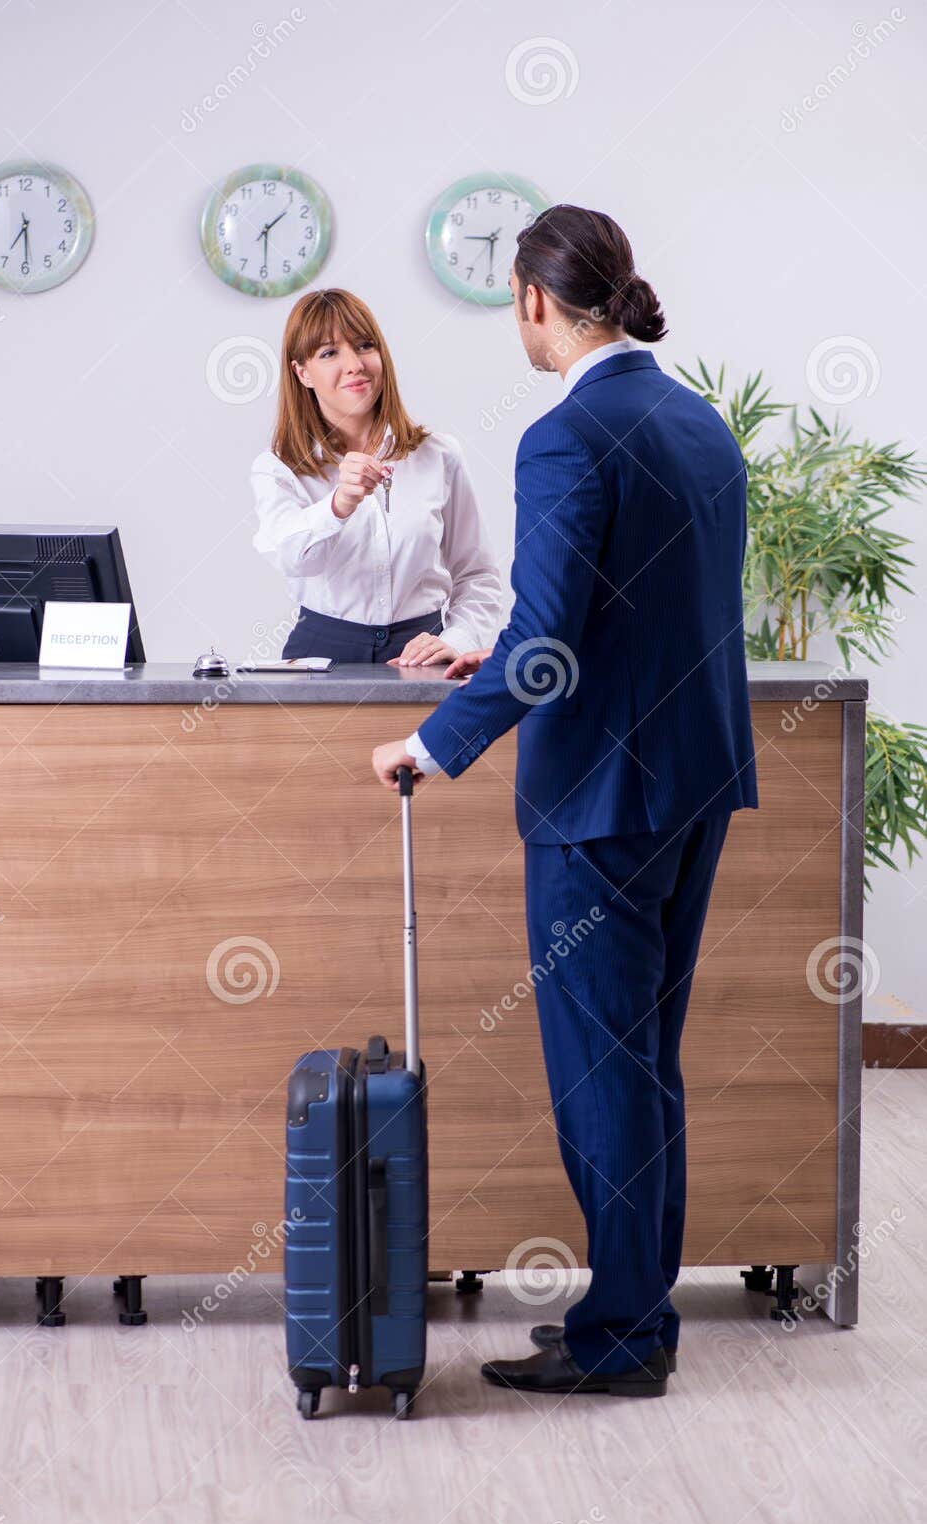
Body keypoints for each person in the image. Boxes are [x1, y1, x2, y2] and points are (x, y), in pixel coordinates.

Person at [372, 205, 758, 1401]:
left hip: (601, 801)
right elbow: (622, 619)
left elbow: (548, 644)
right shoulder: (699, 423)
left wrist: (435, 746)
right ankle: (630, 1315)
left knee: (604, 1072)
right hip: (693, 783)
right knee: (643, 1065)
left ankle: (624, 1340)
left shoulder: (567, 435)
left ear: (537, 303)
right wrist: (479, 663)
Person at [251, 288, 502, 665]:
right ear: (301, 372)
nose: (354, 365)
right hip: (320, 658)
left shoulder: (438, 455)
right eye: (329, 352)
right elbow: (291, 558)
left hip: (422, 656)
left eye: (365, 346)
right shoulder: (278, 467)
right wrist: (337, 505)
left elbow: (478, 575)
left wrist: (459, 639)